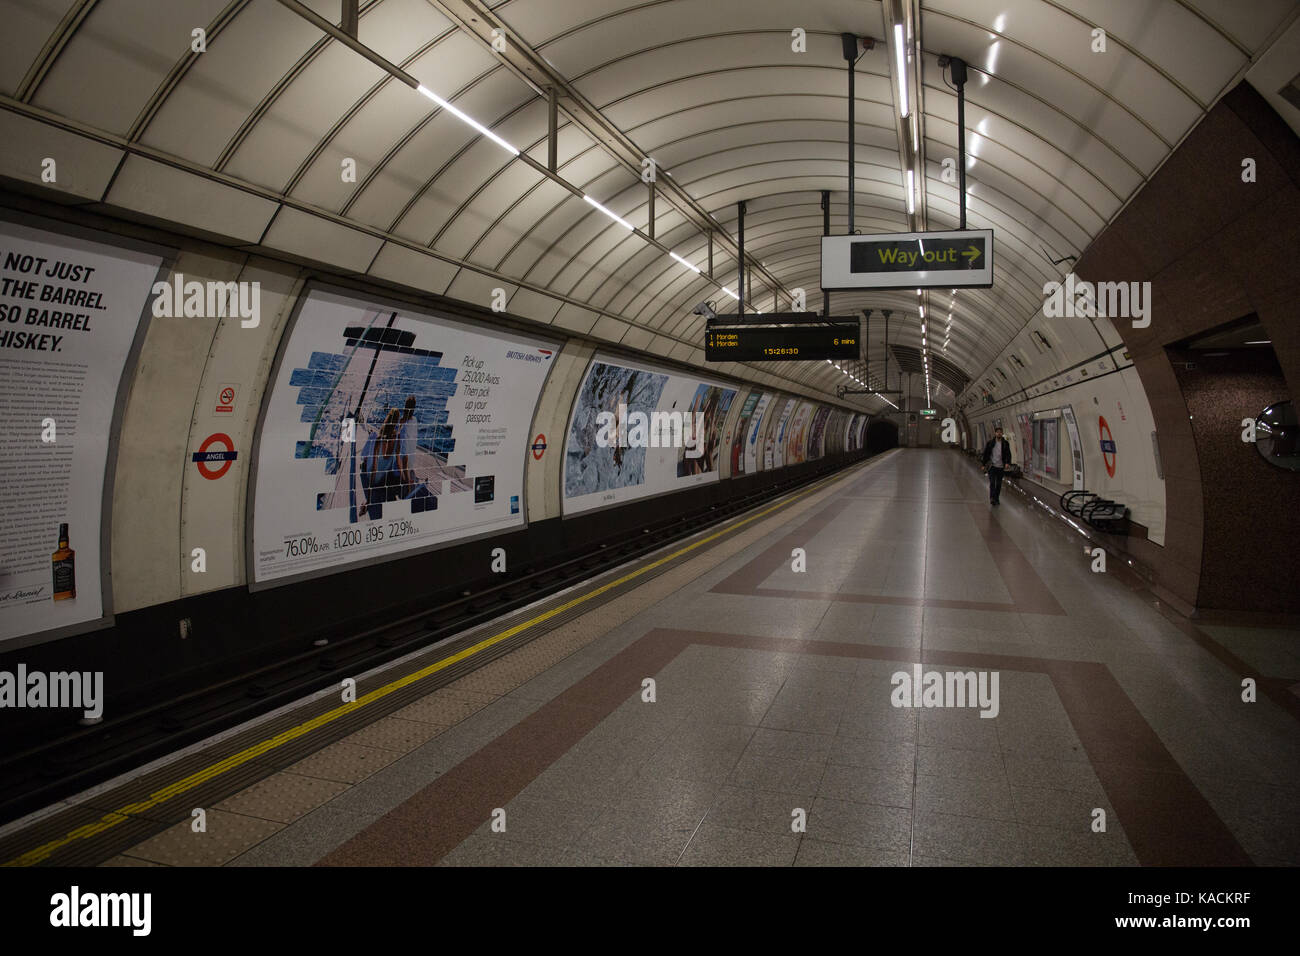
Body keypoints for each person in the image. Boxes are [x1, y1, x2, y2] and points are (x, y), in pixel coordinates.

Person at [981, 426, 1012, 506]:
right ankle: (992, 498)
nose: (999, 433)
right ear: (995, 433)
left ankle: (996, 498)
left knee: (998, 484)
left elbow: (1008, 454)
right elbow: (986, 454)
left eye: (1000, 432)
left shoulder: (1005, 444)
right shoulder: (990, 443)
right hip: (992, 466)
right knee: (992, 483)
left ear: (1002, 433)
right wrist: (983, 464)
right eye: (997, 432)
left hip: (1001, 467)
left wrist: (1007, 463)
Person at [398, 395, 420, 495]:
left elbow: (404, 456)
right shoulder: (414, 420)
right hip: (411, 463)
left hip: (404, 468)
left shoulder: (404, 428)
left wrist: (408, 484)